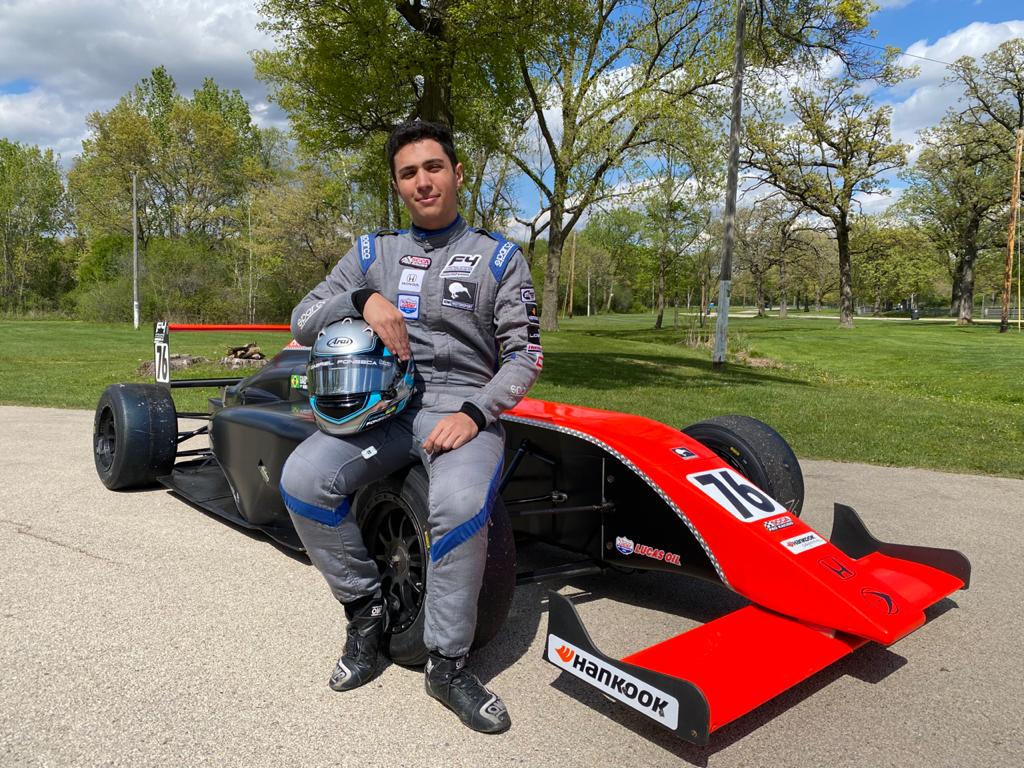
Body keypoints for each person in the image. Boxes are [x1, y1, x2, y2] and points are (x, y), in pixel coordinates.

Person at [279, 120, 542, 734]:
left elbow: (524, 356)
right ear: (397, 185)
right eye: (408, 173)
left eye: (433, 167)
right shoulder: (373, 254)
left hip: (465, 412)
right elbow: (303, 315)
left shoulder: (501, 257)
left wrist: (475, 414)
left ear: (455, 172)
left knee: (457, 502)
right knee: (302, 479)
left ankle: (448, 665)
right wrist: (359, 301)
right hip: (388, 409)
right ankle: (367, 616)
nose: (422, 181)